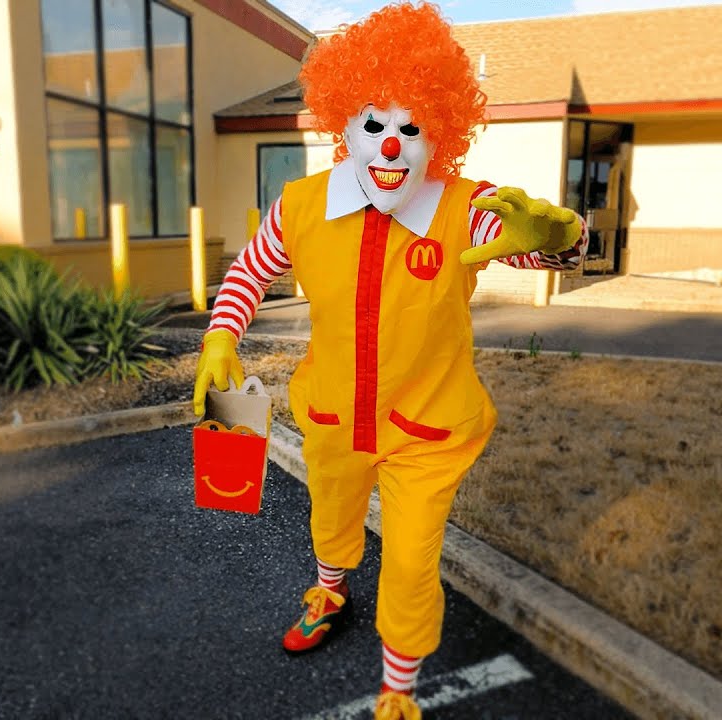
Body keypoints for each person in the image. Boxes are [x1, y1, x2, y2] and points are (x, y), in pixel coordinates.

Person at [193, 3, 586, 718]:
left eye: (413, 127)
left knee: (410, 563)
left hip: (426, 430)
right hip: (333, 416)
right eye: (374, 124)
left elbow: (522, 239)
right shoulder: (301, 205)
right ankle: (329, 593)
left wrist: (560, 239)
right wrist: (222, 336)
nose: (392, 145)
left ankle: (398, 689)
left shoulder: (464, 205)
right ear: (343, 124)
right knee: (331, 519)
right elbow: (250, 270)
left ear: (439, 131)